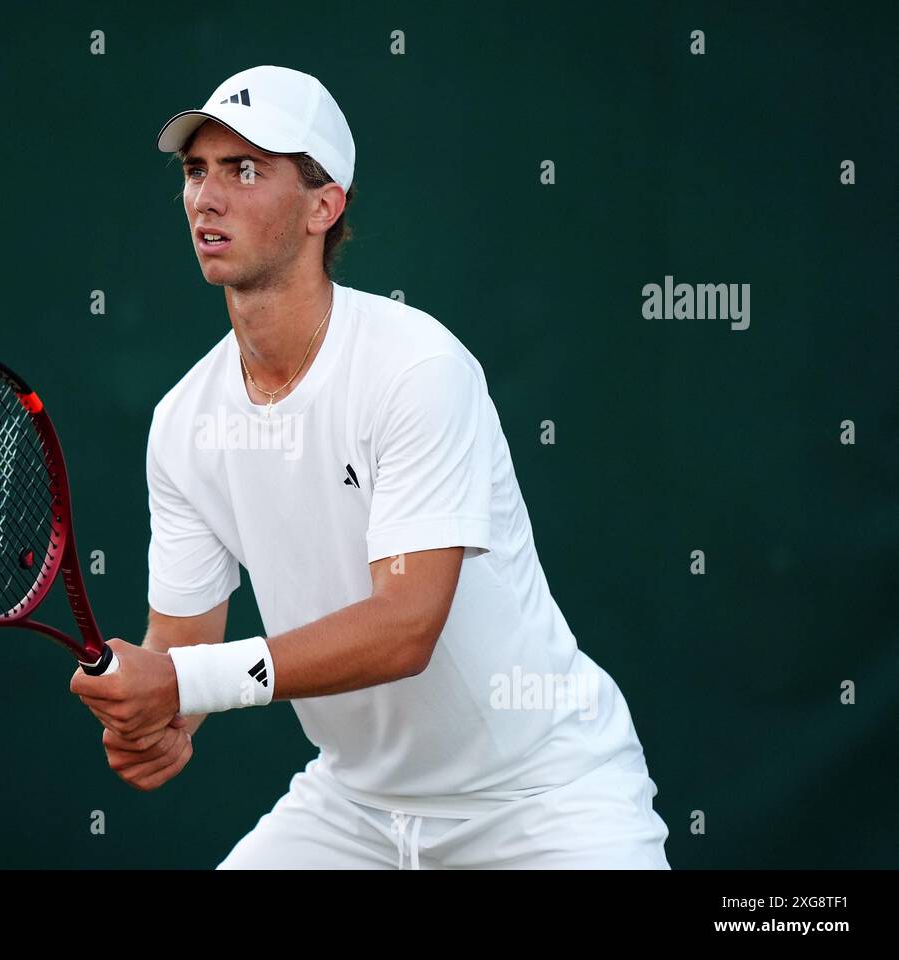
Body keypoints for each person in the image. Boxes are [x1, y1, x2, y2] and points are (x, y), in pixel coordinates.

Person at [70, 64, 670, 869]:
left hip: (543, 799)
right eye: (195, 170)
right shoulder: (183, 421)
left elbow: (405, 626)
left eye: (245, 169)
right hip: (355, 808)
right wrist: (157, 717)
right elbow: (182, 648)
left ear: (325, 205)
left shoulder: (417, 367)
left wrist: (182, 685)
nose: (206, 197)